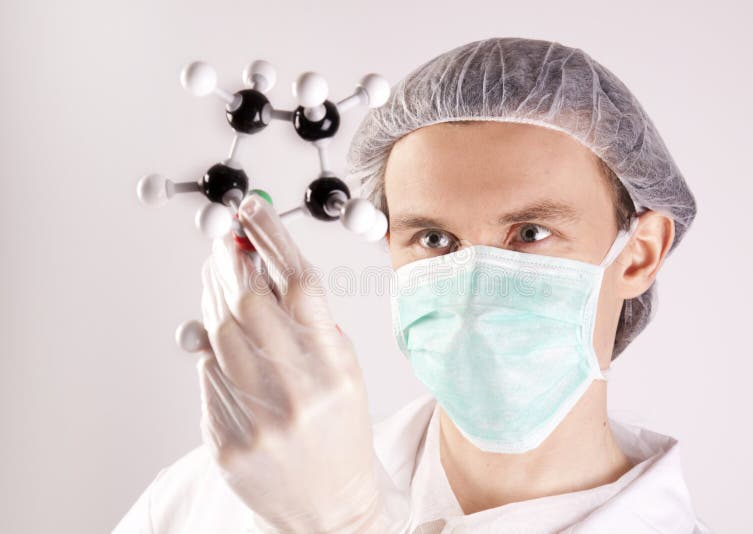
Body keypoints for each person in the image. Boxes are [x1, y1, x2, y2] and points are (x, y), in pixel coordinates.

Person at [113, 37, 710, 533]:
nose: (474, 293)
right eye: (434, 239)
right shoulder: (222, 498)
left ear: (639, 254)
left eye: (530, 233)